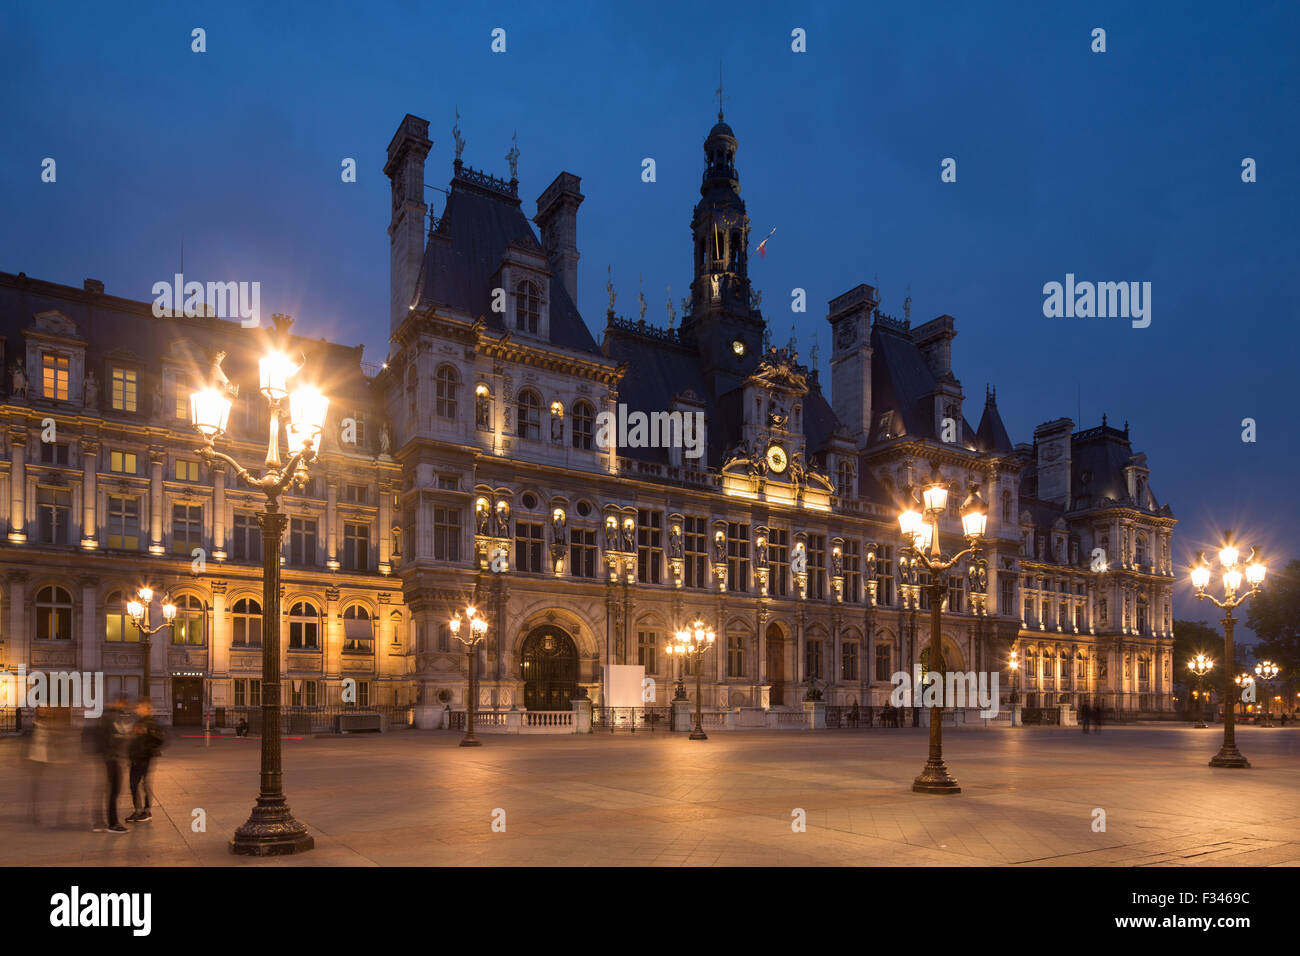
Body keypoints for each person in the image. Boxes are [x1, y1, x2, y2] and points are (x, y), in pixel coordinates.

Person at [90, 695, 131, 833]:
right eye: (124, 703)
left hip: (109, 757)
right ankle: (112, 823)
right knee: (115, 790)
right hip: (112, 758)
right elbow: (116, 736)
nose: (125, 706)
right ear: (118, 702)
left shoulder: (107, 715)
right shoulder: (112, 717)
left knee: (109, 789)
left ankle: (99, 822)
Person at [127, 700, 165, 823]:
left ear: (147, 709)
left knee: (144, 784)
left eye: (139, 707)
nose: (137, 709)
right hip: (135, 758)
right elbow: (134, 741)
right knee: (133, 785)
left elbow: (160, 740)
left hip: (145, 758)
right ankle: (138, 810)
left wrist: (148, 750)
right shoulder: (139, 722)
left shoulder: (152, 723)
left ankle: (147, 811)